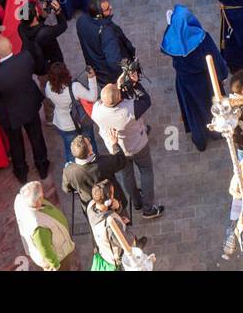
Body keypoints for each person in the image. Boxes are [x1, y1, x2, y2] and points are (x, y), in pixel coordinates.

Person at [160, 5, 228, 153]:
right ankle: (216, 133)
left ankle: (200, 140)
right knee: (212, 106)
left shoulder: (172, 43)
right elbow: (215, 57)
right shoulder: (203, 37)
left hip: (186, 82)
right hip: (207, 79)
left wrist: (171, 25)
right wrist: (222, 75)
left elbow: (166, 41)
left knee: (193, 110)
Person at [91, 82, 163, 220]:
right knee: (146, 171)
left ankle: (136, 202)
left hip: (117, 150)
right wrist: (135, 84)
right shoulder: (130, 109)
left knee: (127, 175)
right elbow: (146, 100)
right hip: (138, 146)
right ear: (119, 98)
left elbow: (105, 100)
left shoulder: (96, 111)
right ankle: (148, 208)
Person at [0, 34, 50, 184]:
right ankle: (42, 166)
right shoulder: (25, 58)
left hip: (10, 113)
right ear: (11, 47)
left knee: (15, 143)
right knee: (36, 137)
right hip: (29, 105)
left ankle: (21, 171)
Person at [14, 179, 76, 272]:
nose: (43, 194)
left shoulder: (23, 200)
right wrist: (55, 265)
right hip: (60, 257)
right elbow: (45, 250)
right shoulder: (39, 227)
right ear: (38, 201)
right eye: (42, 194)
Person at [44, 61, 99, 163]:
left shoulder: (48, 86)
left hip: (64, 124)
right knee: (90, 146)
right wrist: (91, 78)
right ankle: (95, 167)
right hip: (81, 120)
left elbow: (48, 96)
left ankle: (73, 174)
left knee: (70, 152)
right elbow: (93, 97)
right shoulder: (74, 87)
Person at [76, 0, 137, 87]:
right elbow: (114, 61)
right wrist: (127, 75)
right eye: (107, 9)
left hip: (97, 70)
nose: (111, 7)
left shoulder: (82, 20)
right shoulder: (107, 32)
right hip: (110, 76)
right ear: (99, 15)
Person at [61, 134, 128, 212]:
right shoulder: (104, 162)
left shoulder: (69, 171)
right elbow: (121, 161)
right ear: (90, 150)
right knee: (122, 221)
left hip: (93, 210)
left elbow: (67, 189)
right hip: (114, 204)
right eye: (89, 143)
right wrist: (114, 144)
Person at [86, 179, 132, 271]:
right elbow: (127, 243)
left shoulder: (90, 207)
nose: (113, 196)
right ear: (107, 201)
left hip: (104, 252)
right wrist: (126, 227)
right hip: (117, 259)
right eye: (112, 194)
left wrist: (118, 208)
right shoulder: (110, 223)